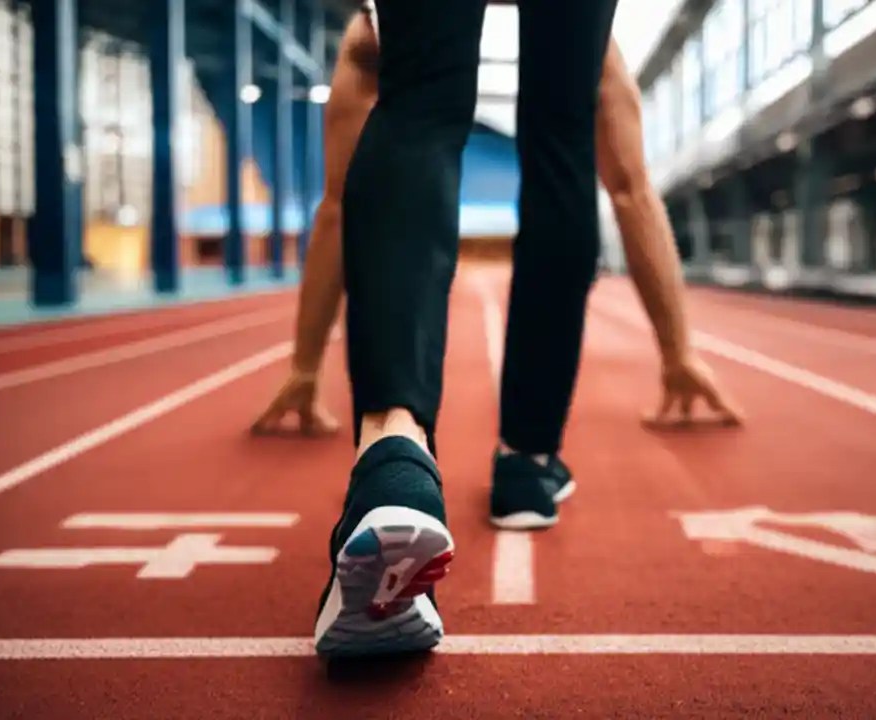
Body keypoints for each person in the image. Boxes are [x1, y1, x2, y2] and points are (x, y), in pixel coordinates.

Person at [282, 0, 739, 659]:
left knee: (416, 107)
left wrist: (304, 363)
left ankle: (394, 460)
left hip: (411, 67)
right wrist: (676, 351)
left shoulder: (367, 38)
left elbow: (336, 205)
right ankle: (527, 462)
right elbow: (632, 187)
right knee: (564, 140)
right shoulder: (599, 55)